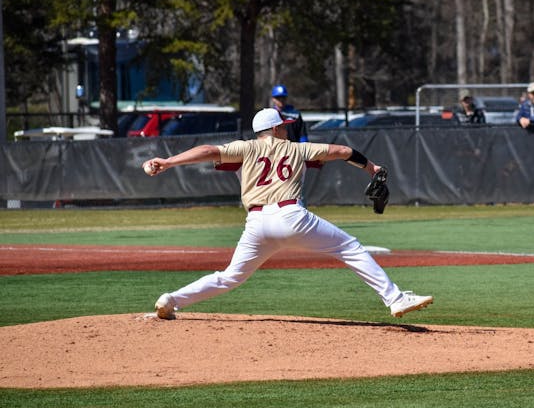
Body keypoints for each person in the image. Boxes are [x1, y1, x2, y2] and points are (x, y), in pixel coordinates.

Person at [144, 108, 433, 320]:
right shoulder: (298, 149)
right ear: (276, 129)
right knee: (350, 247)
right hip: (292, 216)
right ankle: (395, 299)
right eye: (283, 125)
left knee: (230, 277)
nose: (287, 129)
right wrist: (370, 167)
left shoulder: (246, 148)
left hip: (256, 223)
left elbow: (208, 150)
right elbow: (344, 150)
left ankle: (171, 300)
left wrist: (168, 162)